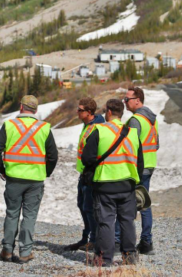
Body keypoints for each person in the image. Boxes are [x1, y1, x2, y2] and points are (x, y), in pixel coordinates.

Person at [0, 95, 58, 264]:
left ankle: (7, 250)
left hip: (13, 178)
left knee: (12, 214)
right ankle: (25, 252)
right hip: (35, 179)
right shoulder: (44, 128)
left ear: (21, 107)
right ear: (35, 110)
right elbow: (53, 156)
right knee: (29, 216)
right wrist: (46, 172)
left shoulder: (9, 125)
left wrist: (2, 169)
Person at [81, 98, 143, 267]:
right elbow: (140, 162)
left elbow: (87, 158)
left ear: (108, 112)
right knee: (127, 221)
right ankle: (129, 257)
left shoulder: (99, 130)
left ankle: (104, 259)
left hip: (105, 184)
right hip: (127, 184)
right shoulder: (132, 132)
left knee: (106, 222)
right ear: (121, 113)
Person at [63, 97, 104, 252]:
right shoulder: (87, 126)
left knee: (90, 208)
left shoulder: (97, 128)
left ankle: (93, 240)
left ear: (89, 112)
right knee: (82, 205)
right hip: (84, 173)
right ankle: (86, 238)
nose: (77, 112)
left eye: (80, 110)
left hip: (91, 174)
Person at [123, 86, 158, 255]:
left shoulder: (136, 120)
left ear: (137, 100)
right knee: (145, 203)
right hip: (150, 164)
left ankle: (125, 242)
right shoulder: (151, 119)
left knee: (129, 204)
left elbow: (131, 146)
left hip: (138, 167)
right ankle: (146, 242)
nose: (125, 102)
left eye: (127, 99)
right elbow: (156, 144)